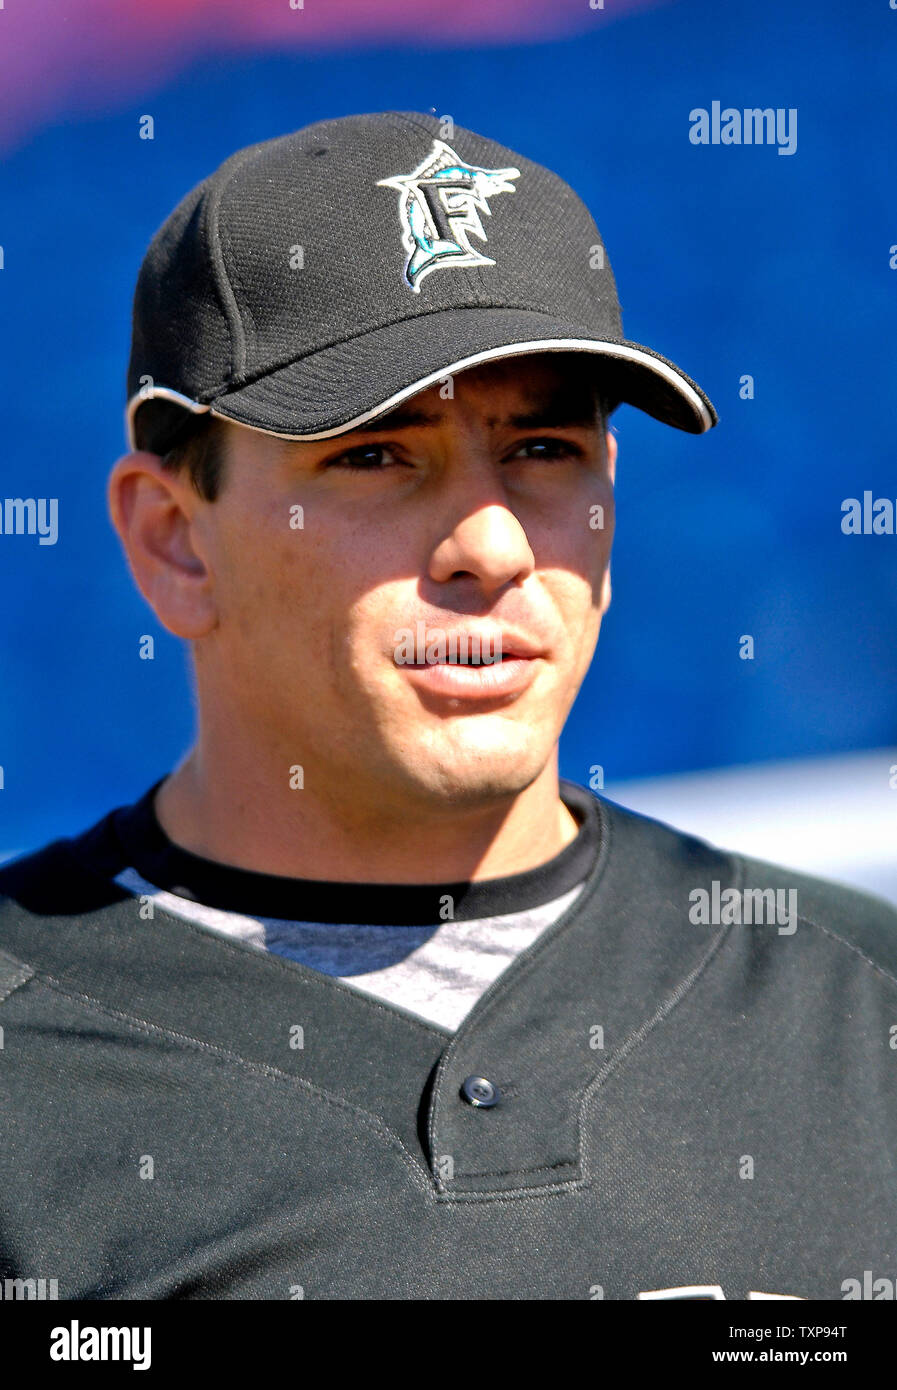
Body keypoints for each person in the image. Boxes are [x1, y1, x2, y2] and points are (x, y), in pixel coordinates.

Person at [1, 112, 895, 1302]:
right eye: (374, 456)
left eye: (540, 447)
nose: (491, 543)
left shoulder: (862, 1007)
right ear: (176, 543)